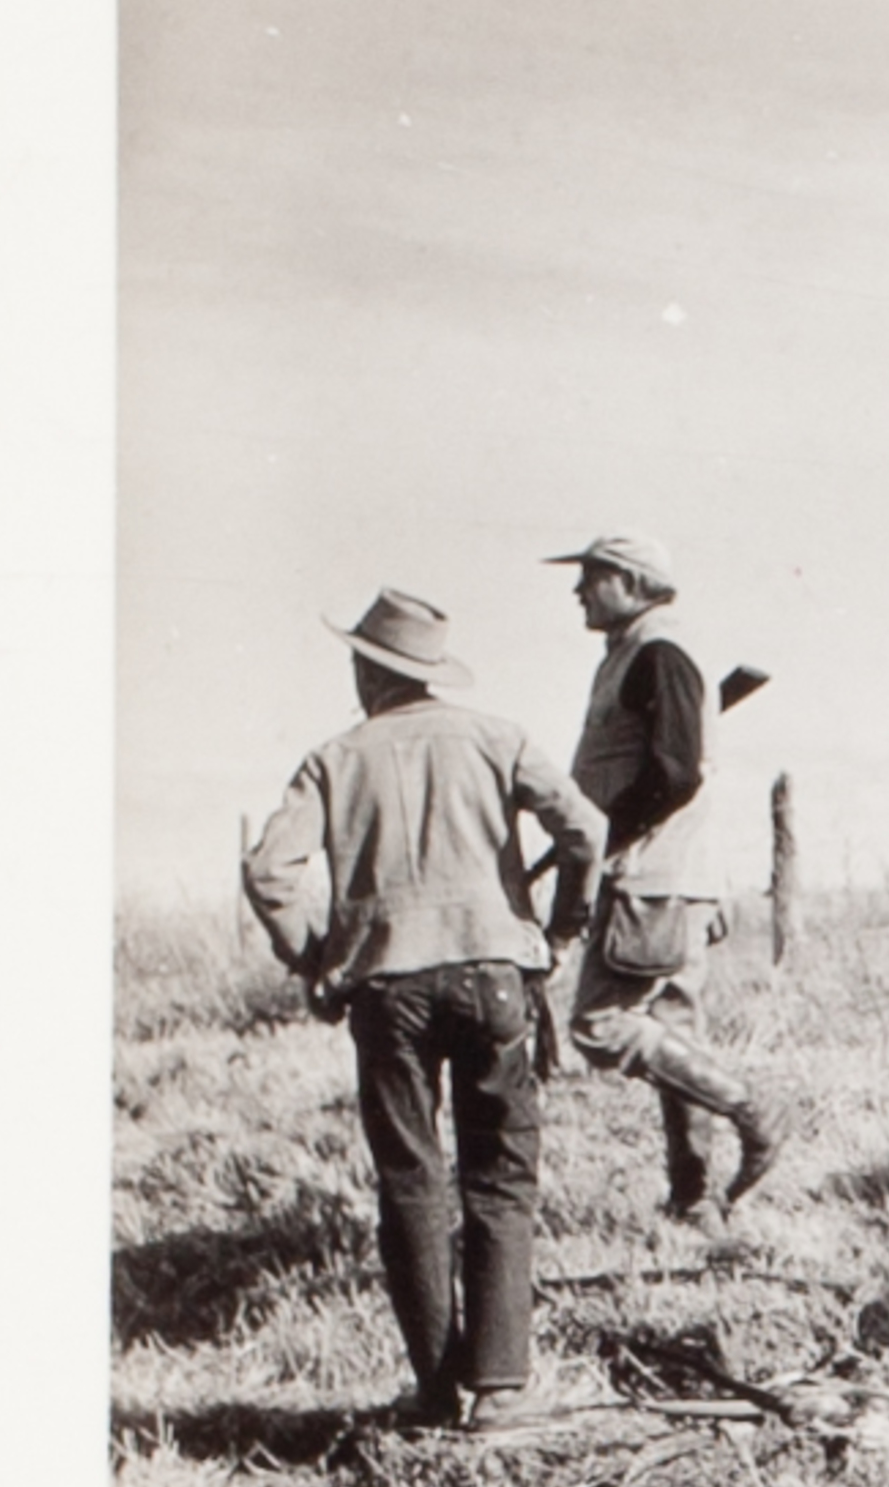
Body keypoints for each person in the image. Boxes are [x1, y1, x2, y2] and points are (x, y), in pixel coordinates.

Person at [242, 589, 602, 1434]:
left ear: (369, 667)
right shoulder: (494, 735)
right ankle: (503, 1387)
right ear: (431, 671)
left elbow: (268, 875)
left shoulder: (333, 758)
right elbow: (584, 828)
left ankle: (436, 1392)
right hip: (495, 977)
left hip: (384, 988)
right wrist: (557, 930)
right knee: (501, 1176)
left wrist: (317, 956)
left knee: (410, 1182)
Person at [546, 531, 784, 1216]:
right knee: (676, 1036)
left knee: (601, 1026)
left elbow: (676, 773)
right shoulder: (645, 652)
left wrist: (599, 835)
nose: (578, 591)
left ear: (628, 579)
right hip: (675, 875)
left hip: (649, 877)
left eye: (590, 577)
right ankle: (696, 1199)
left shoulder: (657, 653)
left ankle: (753, 1110)